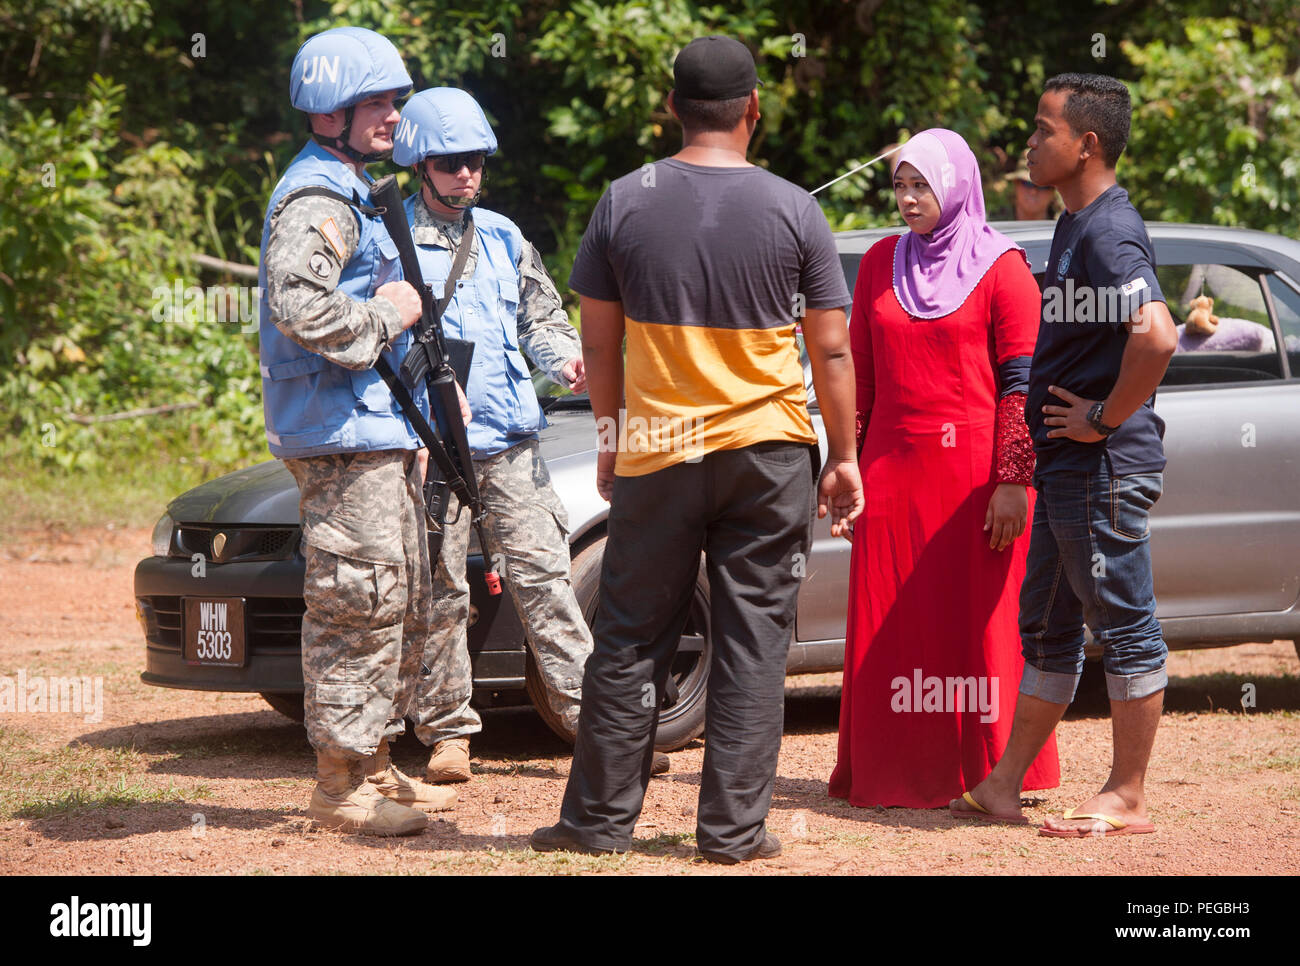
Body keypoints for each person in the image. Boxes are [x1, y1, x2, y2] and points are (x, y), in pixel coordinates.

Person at [530, 35, 863, 864]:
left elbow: (598, 348)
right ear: (755, 108)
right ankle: (731, 834)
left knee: (631, 636)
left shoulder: (624, 201)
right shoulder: (796, 207)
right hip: (770, 450)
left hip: (657, 448)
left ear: (672, 108)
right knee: (754, 642)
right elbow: (831, 352)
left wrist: (609, 439)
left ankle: (598, 825)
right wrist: (845, 455)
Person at [952, 74, 1177, 835]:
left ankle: (1129, 795)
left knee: (1124, 626)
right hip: (1067, 469)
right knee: (1046, 626)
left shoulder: (1110, 229)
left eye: (1043, 129)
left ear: (1086, 144)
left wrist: (1104, 418)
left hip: (1102, 466)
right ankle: (1004, 784)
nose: (1028, 142)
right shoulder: (1075, 223)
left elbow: (1159, 335)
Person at [259, 27, 459, 835]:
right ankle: (341, 787)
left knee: (394, 596)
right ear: (332, 112)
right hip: (337, 435)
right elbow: (298, 305)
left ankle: (373, 762)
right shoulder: (316, 198)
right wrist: (389, 313)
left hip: (369, 428)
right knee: (358, 602)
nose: (393, 116)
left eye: (394, 100)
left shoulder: (350, 184)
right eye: (377, 102)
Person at [828, 129, 1061, 809]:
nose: (906, 199)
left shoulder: (1004, 268)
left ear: (955, 186)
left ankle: (989, 772)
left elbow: (1023, 383)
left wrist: (1015, 479)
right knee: (891, 627)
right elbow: (860, 379)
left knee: (977, 627)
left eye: (919, 185)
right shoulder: (877, 264)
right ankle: (894, 772)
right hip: (891, 478)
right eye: (899, 185)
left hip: (977, 486)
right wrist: (845, 465)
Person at [389, 87, 599, 780]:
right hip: (431, 449)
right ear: (420, 164)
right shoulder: (387, 241)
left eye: (474, 161)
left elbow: (539, 318)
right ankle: (449, 735)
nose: (465, 175)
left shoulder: (506, 236)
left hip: (511, 443)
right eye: (450, 162)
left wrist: (566, 358)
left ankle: (592, 727)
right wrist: (422, 411)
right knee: (442, 592)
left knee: (547, 579)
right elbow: (375, 346)